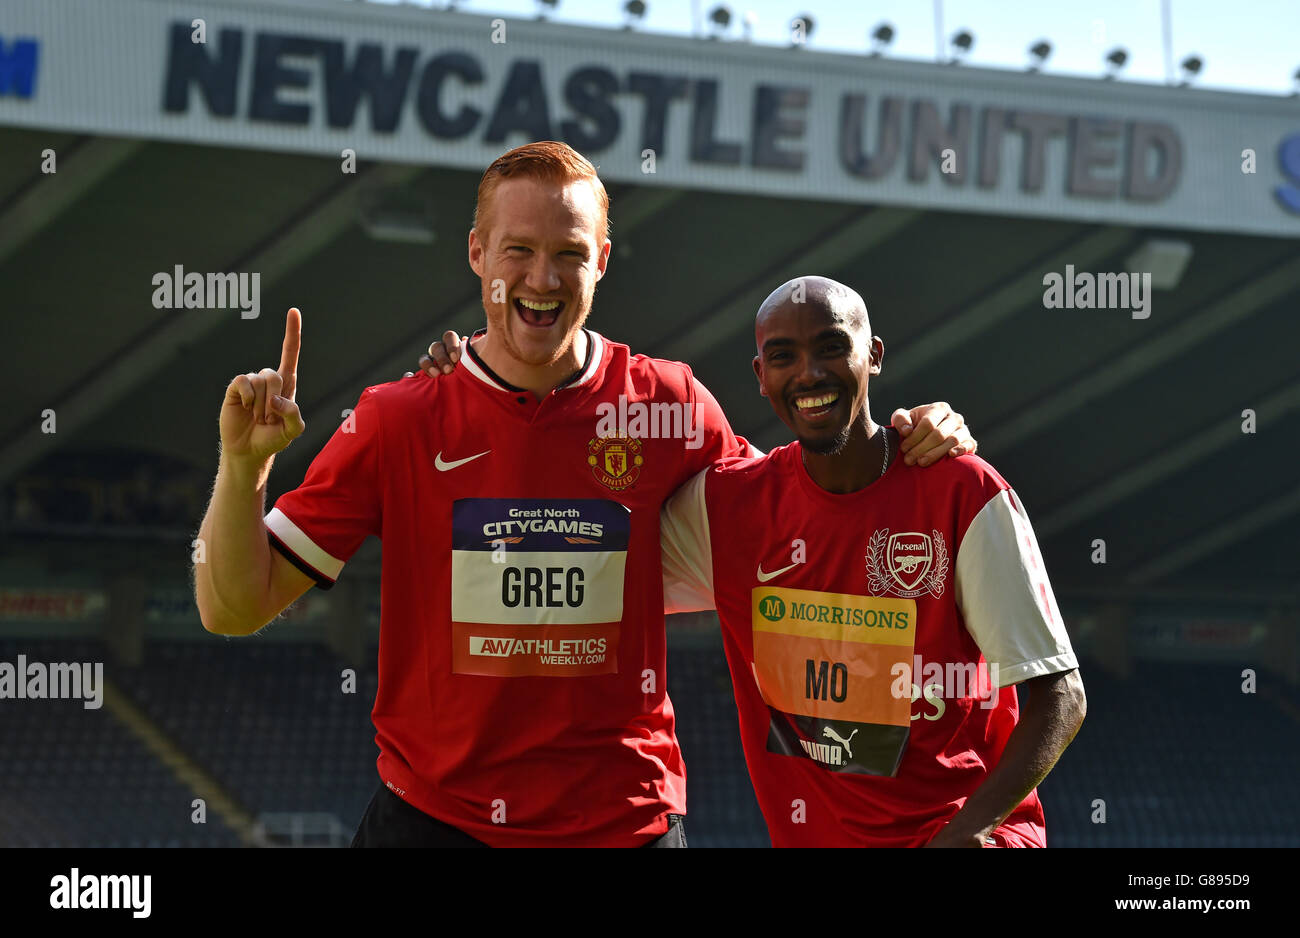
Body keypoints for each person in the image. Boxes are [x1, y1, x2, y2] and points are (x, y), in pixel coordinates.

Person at [193, 141, 974, 847]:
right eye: (518, 251)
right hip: (434, 824)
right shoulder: (398, 420)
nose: (541, 279)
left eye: (567, 253)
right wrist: (242, 466)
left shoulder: (668, 407)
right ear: (477, 254)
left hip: (622, 827)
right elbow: (233, 607)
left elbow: (799, 513)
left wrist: (910, 443)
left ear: (601, 259)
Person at [657, 276, 1086, 847]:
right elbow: (606, 563)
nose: (809, 373)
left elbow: (1063, 695)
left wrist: (966, 834)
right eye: (784, 356)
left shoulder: (962, 490)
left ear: (873, 355)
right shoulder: (725, 509)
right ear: (760, 376)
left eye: (832, 347)